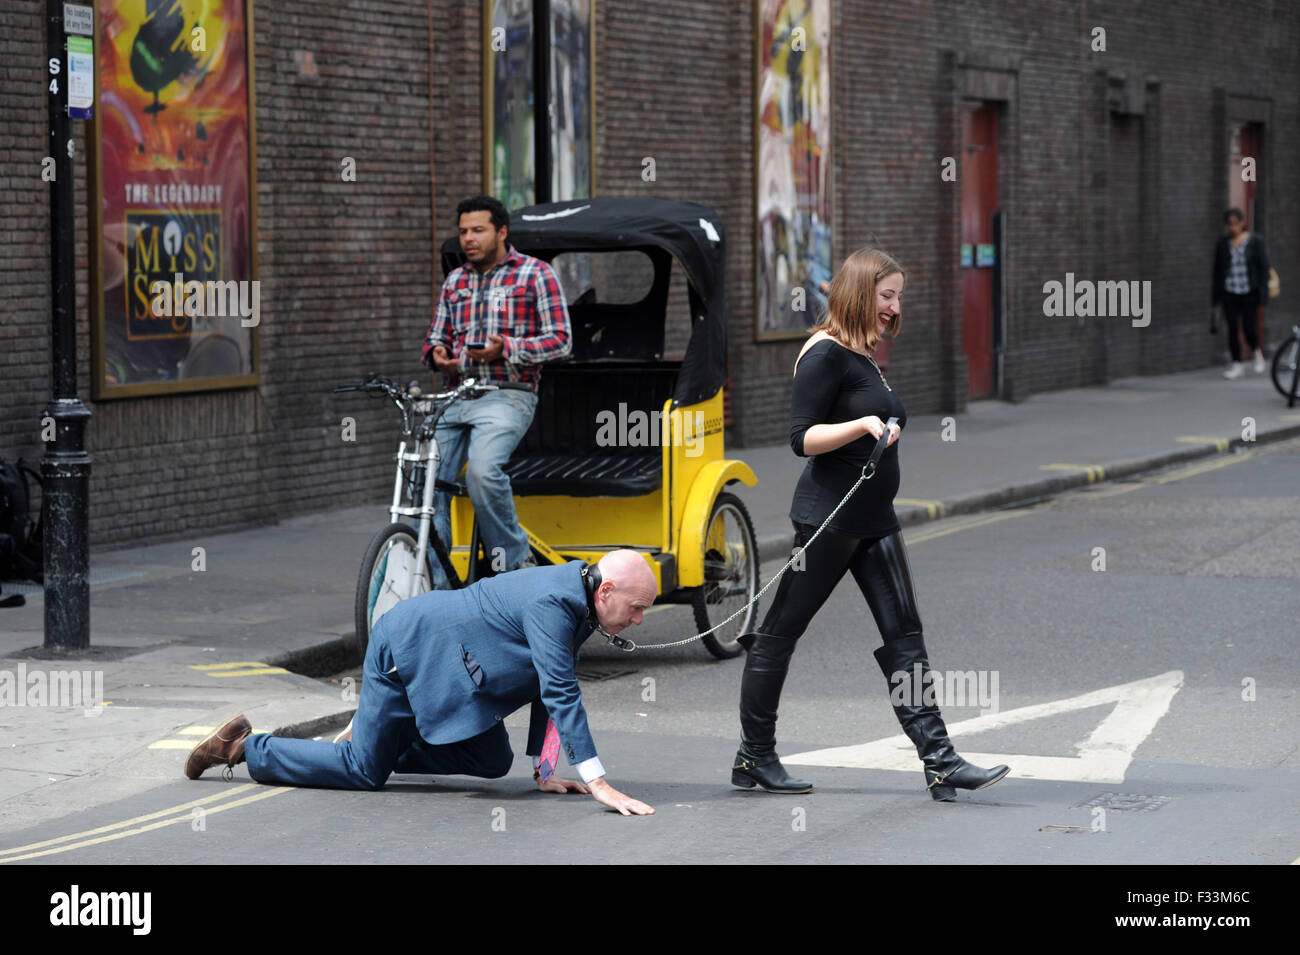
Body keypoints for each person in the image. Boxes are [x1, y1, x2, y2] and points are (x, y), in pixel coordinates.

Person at [730, 247, 1010, 801]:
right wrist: (861, 424)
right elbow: (800, 439)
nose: (894, 306)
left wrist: (880, 428)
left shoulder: (862, 353)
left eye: (898, 296)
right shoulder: (825, 353)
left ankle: (940, 761)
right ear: (860, 292)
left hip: (874, 521)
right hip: (828, 521)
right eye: (887, 295)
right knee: (780, 633)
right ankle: (754, 755)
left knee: (905, 638)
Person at [184, 550, 657, 816]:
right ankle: (245, 747)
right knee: (363, 771)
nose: (638, 620)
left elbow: (545, 684)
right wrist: (597, 782)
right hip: (408, 650)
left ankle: (380, 739)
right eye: (636, 608)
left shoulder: (580, 597)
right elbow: (559, 689)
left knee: (492, 760)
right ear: (607, 590)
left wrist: (544, 767)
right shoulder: (554, 603)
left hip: (452, 674)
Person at [423, 195, 572, 578]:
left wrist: (506, 349)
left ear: (501, 232)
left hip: (508, 394)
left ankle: (515, 568)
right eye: (462, 232)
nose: (468, 239)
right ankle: (437, 587)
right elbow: (436, 337)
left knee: (482, 473)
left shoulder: (535, 275)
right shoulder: (456, 280)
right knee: (424, 479)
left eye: (478, 230)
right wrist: (438, 353)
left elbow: (561, 340)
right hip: (456, 396)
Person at [1212, 207, 1271, 379]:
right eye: (1229, 224)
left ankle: (1256, 352)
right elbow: (1217, 272)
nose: (1232, 227)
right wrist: (1215, 300)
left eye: (1235, 224)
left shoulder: (1254, 241)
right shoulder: (1223, 243)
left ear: (1242, 223)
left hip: (1248, 291)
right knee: (1231, 328)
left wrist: (1263, 293)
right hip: (1229, 291)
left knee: (1248, 327)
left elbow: (1263, 267)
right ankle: (1236, 364)